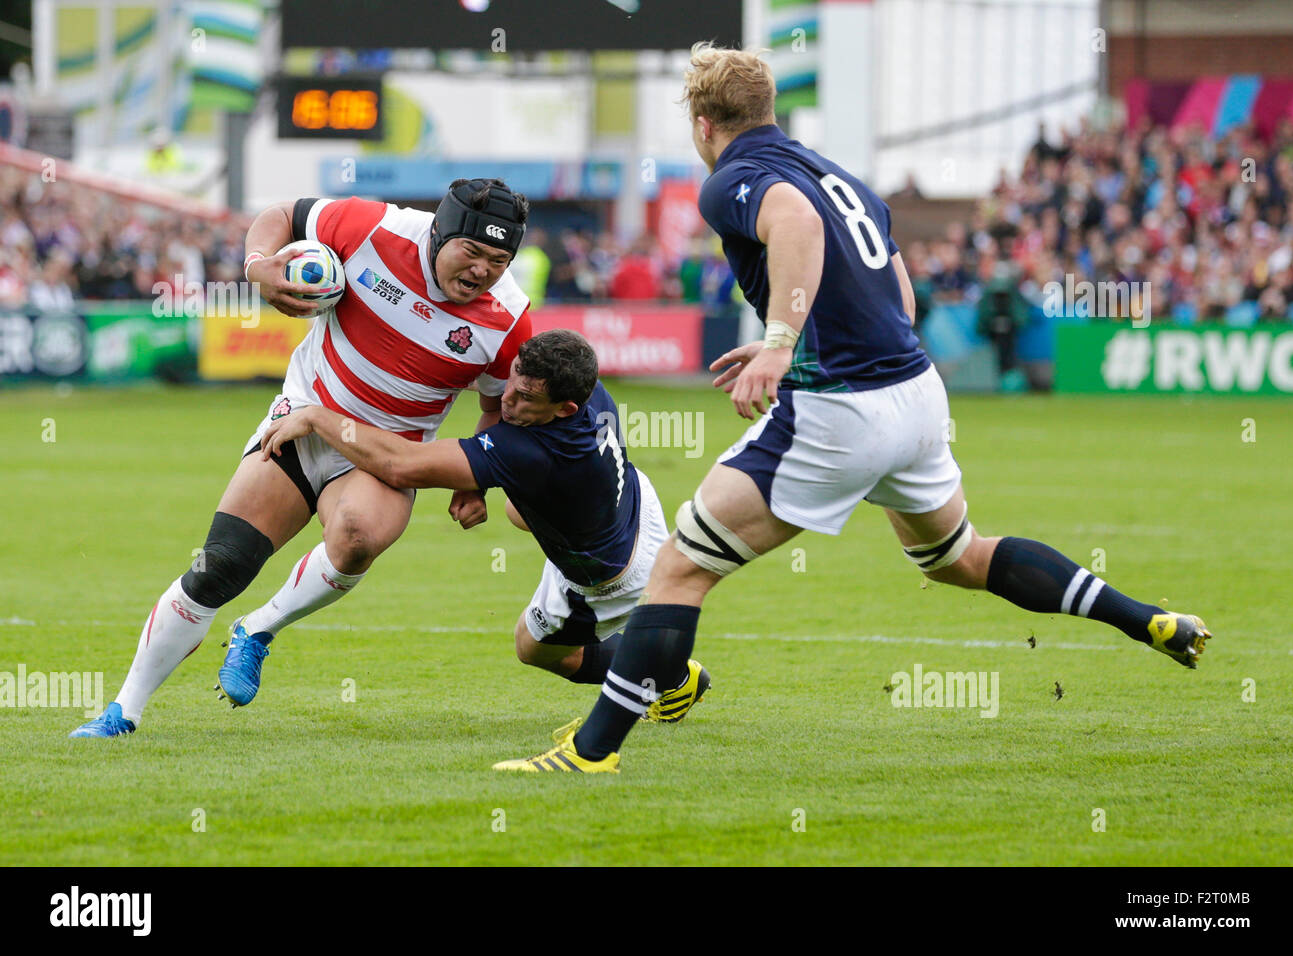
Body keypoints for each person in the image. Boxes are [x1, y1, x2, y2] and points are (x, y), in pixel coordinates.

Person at [494, 44, 1212, 774]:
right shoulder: (839, 176)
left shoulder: (733, 179)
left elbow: (796, 228)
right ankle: (1146, 619)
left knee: (679, 571)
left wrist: (779, 347)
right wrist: (801, 343)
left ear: (704, 124)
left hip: (843, 413)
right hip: (914, 396)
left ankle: (591, 754)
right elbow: (896, 297)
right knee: (960, 557)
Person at [71, 178, 533, 736]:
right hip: (305, 413)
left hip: (383, 454)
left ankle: (258, 630)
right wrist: (258, 265)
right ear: (439, 234)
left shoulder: (508, 318)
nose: (484, 269)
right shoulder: (372, 226)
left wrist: (473, 481)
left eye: (499, 259)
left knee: (359, 536)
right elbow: (282, 213)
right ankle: (123, 712)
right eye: (473, 251)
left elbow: (496, 407)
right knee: (222, 563)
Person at [258, 329, 710, 728]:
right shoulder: (580, 381)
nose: (507, 401)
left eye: (526, 399)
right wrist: (478, 481)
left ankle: (670, 676)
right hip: (633, 497)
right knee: (518, 510)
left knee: (533, 648)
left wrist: (317, 417)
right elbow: (503, 425)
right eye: (513, 382)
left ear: (565, 407)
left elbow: (399, 465)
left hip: (606, 572)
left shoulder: (534, 452)